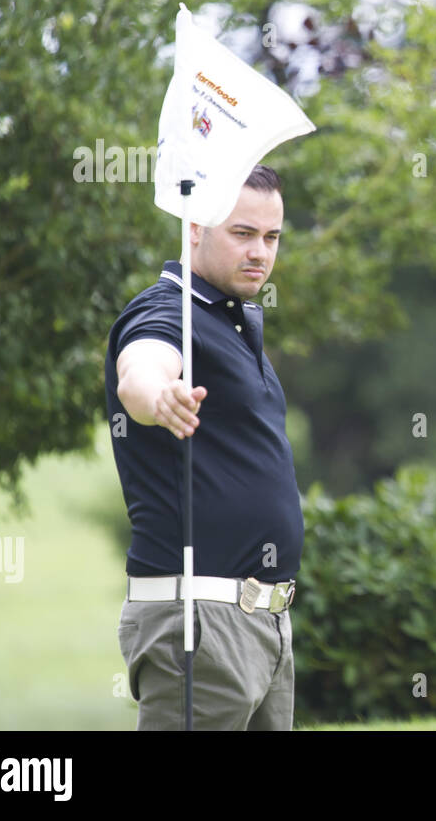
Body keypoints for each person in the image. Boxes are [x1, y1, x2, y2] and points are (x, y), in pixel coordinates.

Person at [105, 164, 302, 730]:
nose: (260, 253)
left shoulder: (230, 322)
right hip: (199, 620)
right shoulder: (169, 311)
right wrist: (157, 397)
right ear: (194, 226)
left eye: (271, 237)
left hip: (265, 625)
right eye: (243, 233)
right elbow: (140, 367)